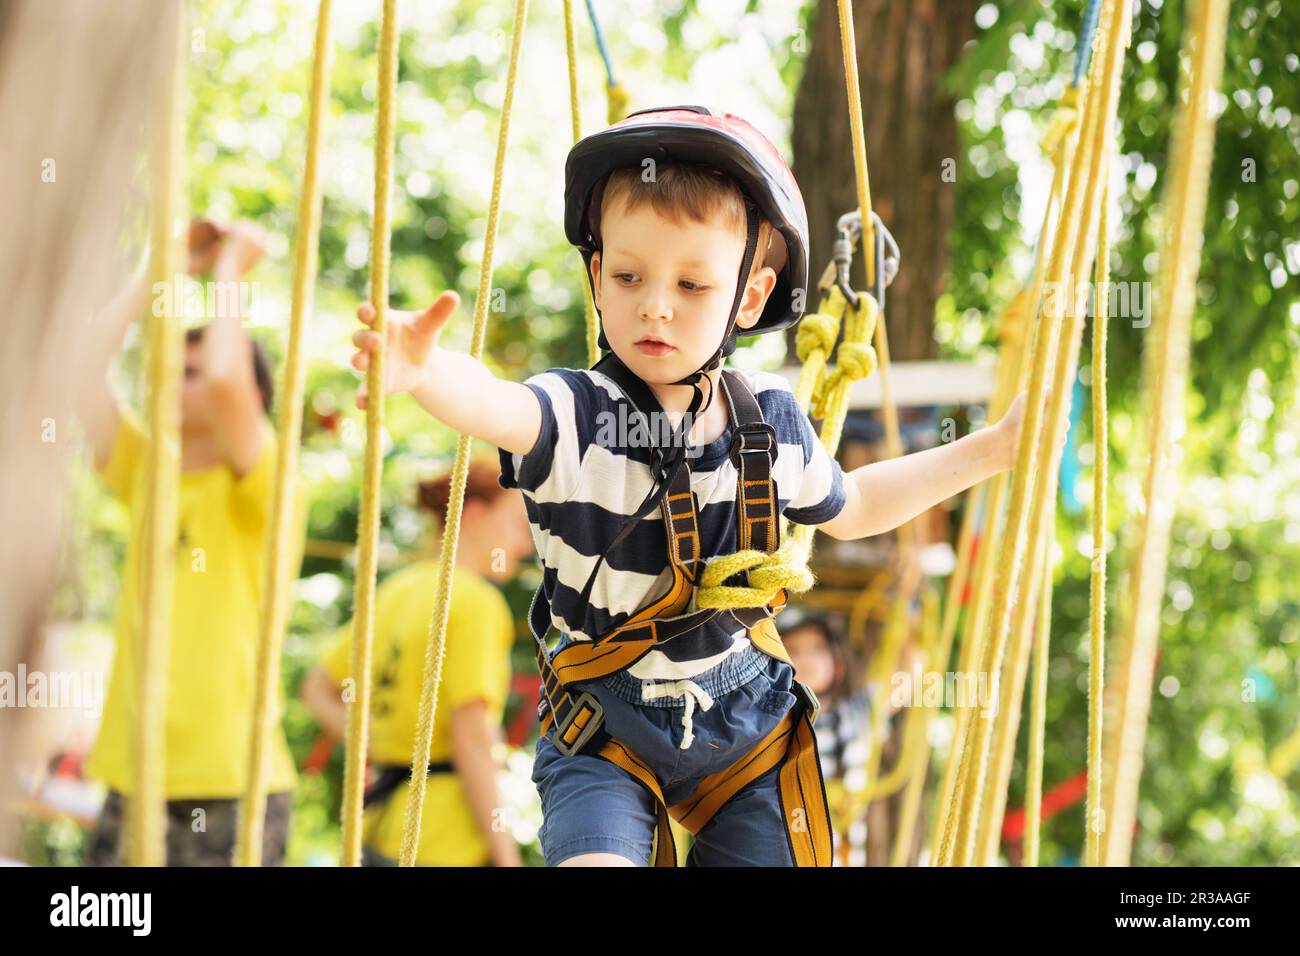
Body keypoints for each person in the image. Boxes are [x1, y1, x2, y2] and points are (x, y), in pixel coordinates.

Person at [348, 105, 1030, 866]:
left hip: (745, 724)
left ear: (748, 296)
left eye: (693, 283)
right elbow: (493, 403)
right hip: (603, 728)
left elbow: (858, 504)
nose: (656, 305)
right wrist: (425, 372)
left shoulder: (766, 423)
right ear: (596, 274)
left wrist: (993, 449)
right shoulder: (572, 411)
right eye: (630, 275)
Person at [79, 219, 307, 866]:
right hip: (134, 779)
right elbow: (77, 370)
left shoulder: (268, 481)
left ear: (255, 399)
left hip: (231, 785)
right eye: (173, 370)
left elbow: (230, 383)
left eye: (196, 369)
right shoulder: (147, 471)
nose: (180, 382)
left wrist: (231, 269)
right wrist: (162, 266)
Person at [300, 457, 533, 867]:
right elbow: (472, 739)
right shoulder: (475, 602)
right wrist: (507, 857)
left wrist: (378, 742)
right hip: (444, 840)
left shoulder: (398, 590)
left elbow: (316, 689)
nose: (525, 545)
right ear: (475, 515)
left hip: (379, 827)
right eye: (517, 525)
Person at [780, 608, 873, 866]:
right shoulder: (773, 724)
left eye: (817, 649)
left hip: (842, 854)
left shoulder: (857, 713)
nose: (807, 659)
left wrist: (907, 606)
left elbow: (908, 671)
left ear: (837, 664)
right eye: (795, 652)